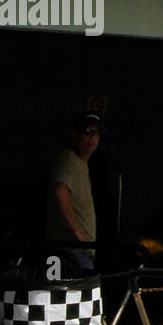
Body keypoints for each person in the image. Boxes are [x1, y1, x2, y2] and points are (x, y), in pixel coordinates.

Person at [46, 112, 103, 273]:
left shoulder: (82, 166)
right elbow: (60, 192)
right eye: (87, 132)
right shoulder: (68, 158)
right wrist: (75, 231)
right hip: (71, 252)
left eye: (96, 133)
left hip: (80, 252)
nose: (92, 138)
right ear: (75, 135)